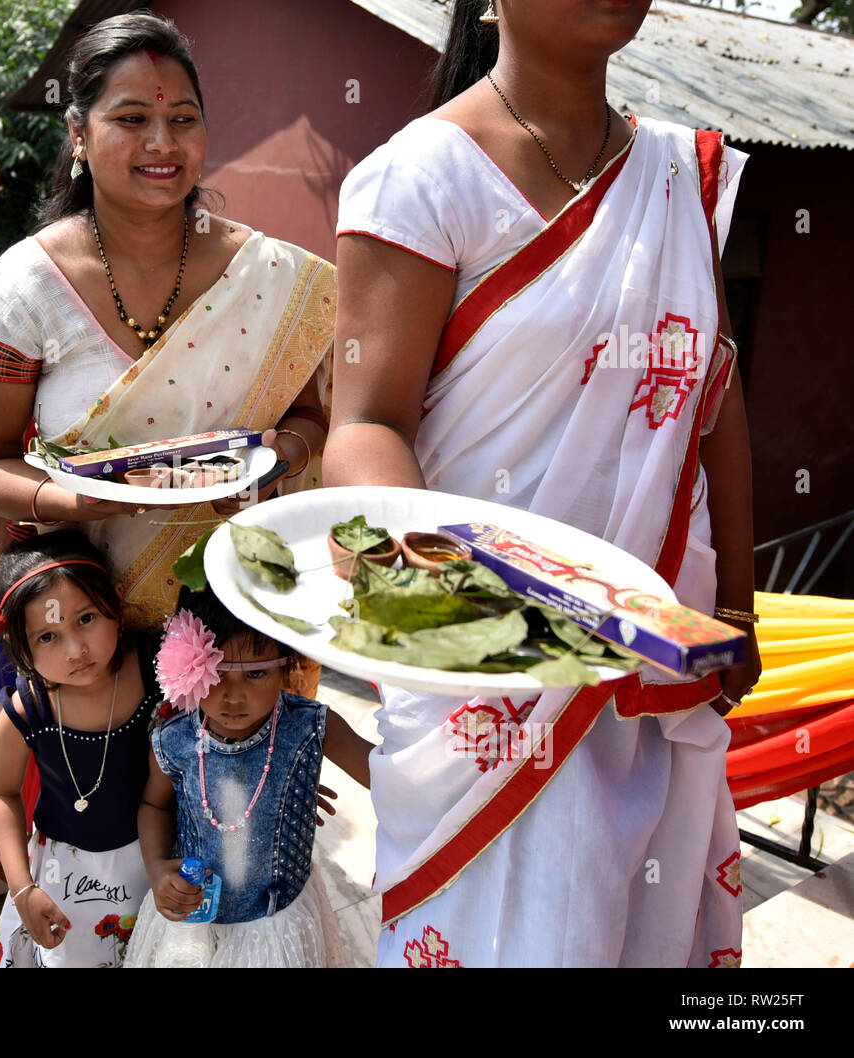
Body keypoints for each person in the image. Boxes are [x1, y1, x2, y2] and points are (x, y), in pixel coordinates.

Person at [323, 0, 759, 967]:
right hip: (485, 660)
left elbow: (714, 396)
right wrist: (470, 616)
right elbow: (364, 425)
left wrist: (738, 609)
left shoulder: (680, 175)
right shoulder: (419, 176)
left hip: (657, 645)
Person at [0, 11, 334, 632]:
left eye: (183, 120)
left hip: (243, 620)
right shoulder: (22, 290)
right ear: (78, 134)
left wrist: (277, 460)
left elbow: (311, 417)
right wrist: (74, 501)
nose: (162, 143)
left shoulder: (270, 274)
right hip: (84, 629)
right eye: (132, 120)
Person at [124, 585, 371, 968]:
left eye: (255, 673)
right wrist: (157, 868)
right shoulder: (174, 740)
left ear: (287, 664)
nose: (233, 696)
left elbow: (383, 772)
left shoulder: (309, 727)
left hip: (277, 927)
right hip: (195, 928)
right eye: (216, 672)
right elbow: (154, 804)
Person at [0, 531, 159, 968]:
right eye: (47, 637)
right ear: (21, 645)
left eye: (85, 620)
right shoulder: (29, 710)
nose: (76, 650)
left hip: (155, 864)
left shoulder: (160, 672)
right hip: (65, 883)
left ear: (115, 604)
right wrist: (23, 889)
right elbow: (1, 793)